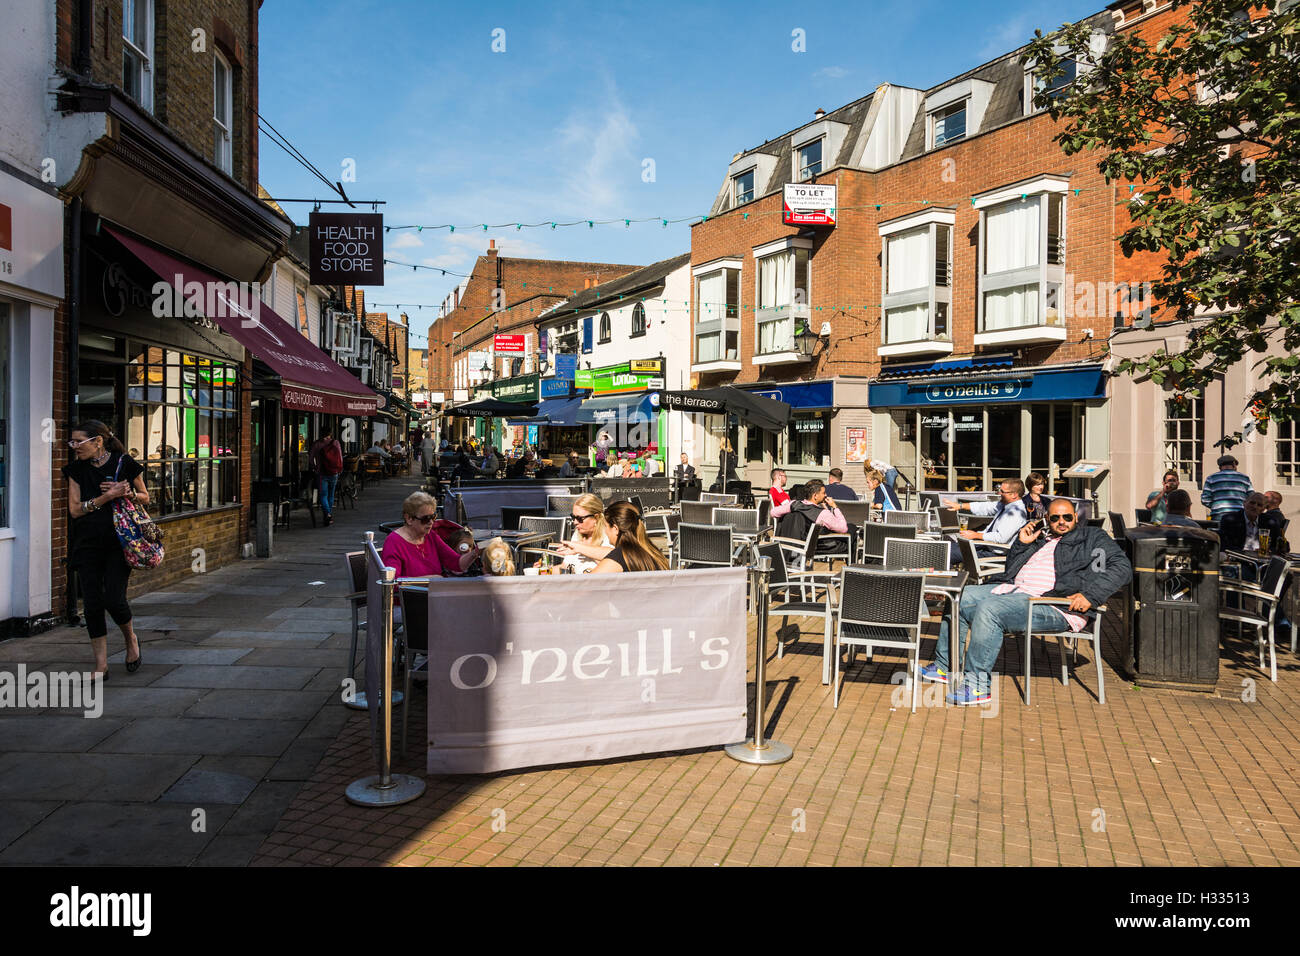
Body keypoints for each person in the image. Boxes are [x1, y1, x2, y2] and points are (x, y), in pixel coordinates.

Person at [922, 497, 1132, 705]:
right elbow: (1011, 569)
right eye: (1055, 518)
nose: (1062, 522)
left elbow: (1121, 567)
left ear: (1075, 517)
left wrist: (1090, 595)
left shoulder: (1091, 537)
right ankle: (945, 666)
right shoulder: (1043, 539)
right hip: (1015, 592)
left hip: (1054, 604)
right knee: (961, 595)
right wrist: (1022, 544)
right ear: (1047, 519)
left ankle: (977, 686)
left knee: (990, 609)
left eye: (1067, 517)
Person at [63, 420, 149, 679]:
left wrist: (127, 494)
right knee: (91, 604)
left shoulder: (125, 463)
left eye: (79, 442)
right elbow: (75, 510)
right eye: (72, 442)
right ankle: (101, 665)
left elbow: (145, 496)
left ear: (97, 441)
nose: (74, 447)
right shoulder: (76, 470)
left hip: (119, 543)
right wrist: (106, 497)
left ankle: (130, 638)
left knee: (113, 599)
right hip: (86, 543)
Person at [381, 492, 470, 579]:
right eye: (425, 519)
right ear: (409, 519)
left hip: (435, 590)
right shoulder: (394, 542)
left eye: (433, 517)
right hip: (412, 593)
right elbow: (392, 581)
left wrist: (475, 553)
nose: (431, 522)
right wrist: (429, 581)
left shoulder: (431, 536)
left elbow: (456, 563)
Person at [943, 479, 1030, 552]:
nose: (999, 494)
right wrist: (960, 506)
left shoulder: (1015, 513)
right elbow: (985, 507)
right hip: (984, 544)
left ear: (1014, 495)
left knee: (946, 553)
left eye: (1002, 492)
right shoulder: (1006, 505)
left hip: (993, 552)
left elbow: (1001, 538)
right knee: (946, 548)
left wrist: (976, 535)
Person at [591, 500, 670, 573]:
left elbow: (587, 583)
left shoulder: (619, 557)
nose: (605, 531)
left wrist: (587, 571)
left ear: (615, 529)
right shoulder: (654, 552)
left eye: (606, 526)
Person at [770, 479, 849, 546]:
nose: (826, 495)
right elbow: (843, 529)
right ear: (815, 496)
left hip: (795, 543)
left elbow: (773, 512)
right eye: (823, 493)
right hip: (817, 545)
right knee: (851, 531)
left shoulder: (793, 504)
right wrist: (834, 507)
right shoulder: (823, 513)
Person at [553, 493, 614, 570]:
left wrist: (582, 548)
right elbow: (566, 566)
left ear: (596, 517)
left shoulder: (608, 534)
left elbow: (614, 563)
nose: (575, 522)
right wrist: (542, 571)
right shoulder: (577, 533)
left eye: (580, 518)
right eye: (573, 517)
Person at [1219, 492, 1285, 553]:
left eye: (1259, 505)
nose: (1255, 507)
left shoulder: (1270, 521)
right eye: (1252, 503)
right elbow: (1224, 544)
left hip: (1262, 559)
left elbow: (1281, 546)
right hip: (1239, 558)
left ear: (1263, 509)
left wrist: (1269, 550)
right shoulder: (1230, 519)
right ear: (1244, 503)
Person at [1201, 454, 1252, 522]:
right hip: (1239, 516)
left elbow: (1205, 500)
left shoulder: (1211, 478)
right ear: (1234, 464)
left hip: (1218, 516)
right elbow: (1251, 497)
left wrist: (1216, 506)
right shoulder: (1245, 478)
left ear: (1220, 467)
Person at [309, 429, 344, 527]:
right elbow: (340, 457)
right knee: (331, 494)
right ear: (330, 434)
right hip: (334, 472)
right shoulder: (336, 443)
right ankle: (328, 515)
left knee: (323, 495)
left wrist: (315, 468)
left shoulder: (316, 444)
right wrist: (339, 469)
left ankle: (328, 515)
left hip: (321, 473)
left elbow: (311, 459)